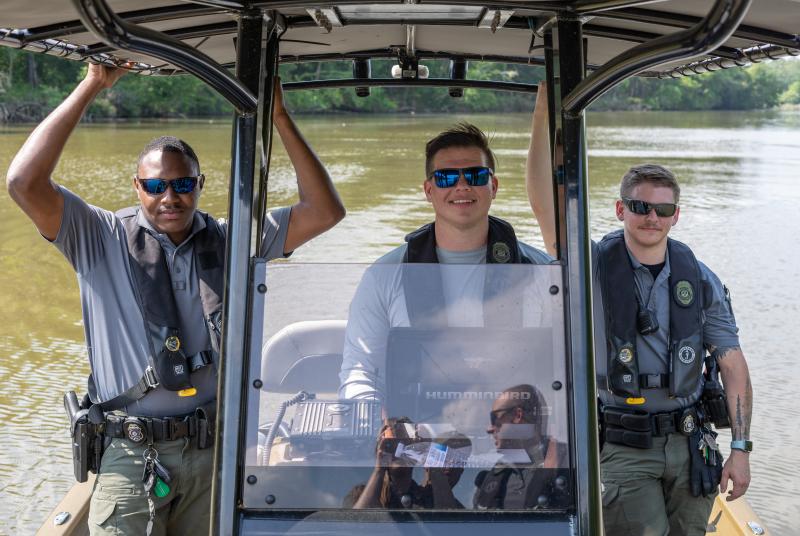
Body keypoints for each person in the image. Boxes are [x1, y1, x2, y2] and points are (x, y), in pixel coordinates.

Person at [5, 64, 345, 535]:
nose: (170, 197)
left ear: (200, 186)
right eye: (156, 185)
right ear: (137, 187)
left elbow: (325, 210)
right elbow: (23, 182)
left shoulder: (233, 238)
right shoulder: (98, 237)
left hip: (212, 451)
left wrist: (280, 117)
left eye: (183, 185)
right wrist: (92, 84)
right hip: (130, 452)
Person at [526, 83, 753, 535]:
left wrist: (741, 448)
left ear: (676, 215)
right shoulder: (588, 267)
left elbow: (733, 365)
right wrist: (546, 99)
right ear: (620, 210)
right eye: (640, 206)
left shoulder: (700, 278)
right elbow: (544, 200)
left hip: (692, 443)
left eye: (663, 209)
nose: (652, 217)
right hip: (623, 447)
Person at [338, 123, 551, 402]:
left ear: (493, 186)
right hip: (413, 436)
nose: (462, 185)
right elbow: (360, 370)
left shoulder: (539, 272)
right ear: (429, 191)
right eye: (446, 178)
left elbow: (562, 367)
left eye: (475, 175)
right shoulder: (384, 276)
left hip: (515, 433)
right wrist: (374, 421)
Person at [473, 384, 568, 510]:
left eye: (494, 418)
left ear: (518, 416)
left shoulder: (570, 461)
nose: (489, 429)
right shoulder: (491, 478)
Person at [344, 419, 471, 509]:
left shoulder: (429, 498)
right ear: (379, 449)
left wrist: (431, 458)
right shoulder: (361, 494)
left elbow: (450, 524)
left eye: (406, 444)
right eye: (391, 444)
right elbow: (356, 527)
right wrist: (379, 470)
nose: (398, 449)